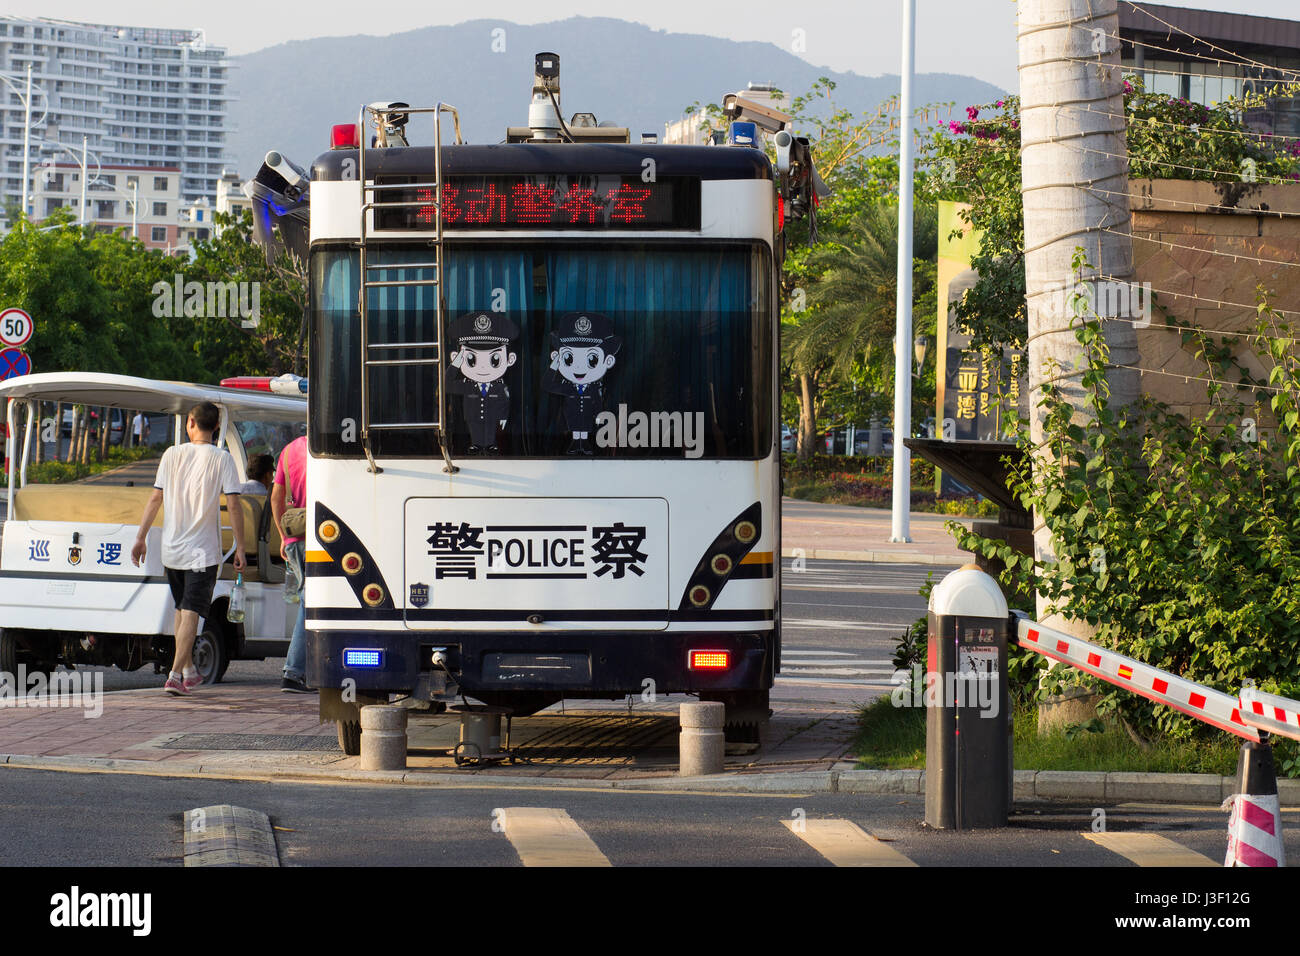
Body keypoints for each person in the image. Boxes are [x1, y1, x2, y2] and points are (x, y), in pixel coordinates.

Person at [131, 402, 245, 696]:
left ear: (190, 423)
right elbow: (233, 504)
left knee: (182, 609)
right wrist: (241, 547)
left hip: (172, 549)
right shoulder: (222, 459)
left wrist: (140, 537)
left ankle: (188, 670)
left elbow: (155, 499)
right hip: (201, 551)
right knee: (192, 612)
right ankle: (173, 675)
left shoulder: (171, 454)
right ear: (217, 427)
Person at [272, 434, 311, 693]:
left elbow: (276, 497)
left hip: (295, 536)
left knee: (308, 599)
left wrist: (284, 537)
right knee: (312, 602)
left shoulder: (288, 451)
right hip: (323, 535)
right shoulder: (324, 449)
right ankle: (294, 672)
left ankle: (300, 672)